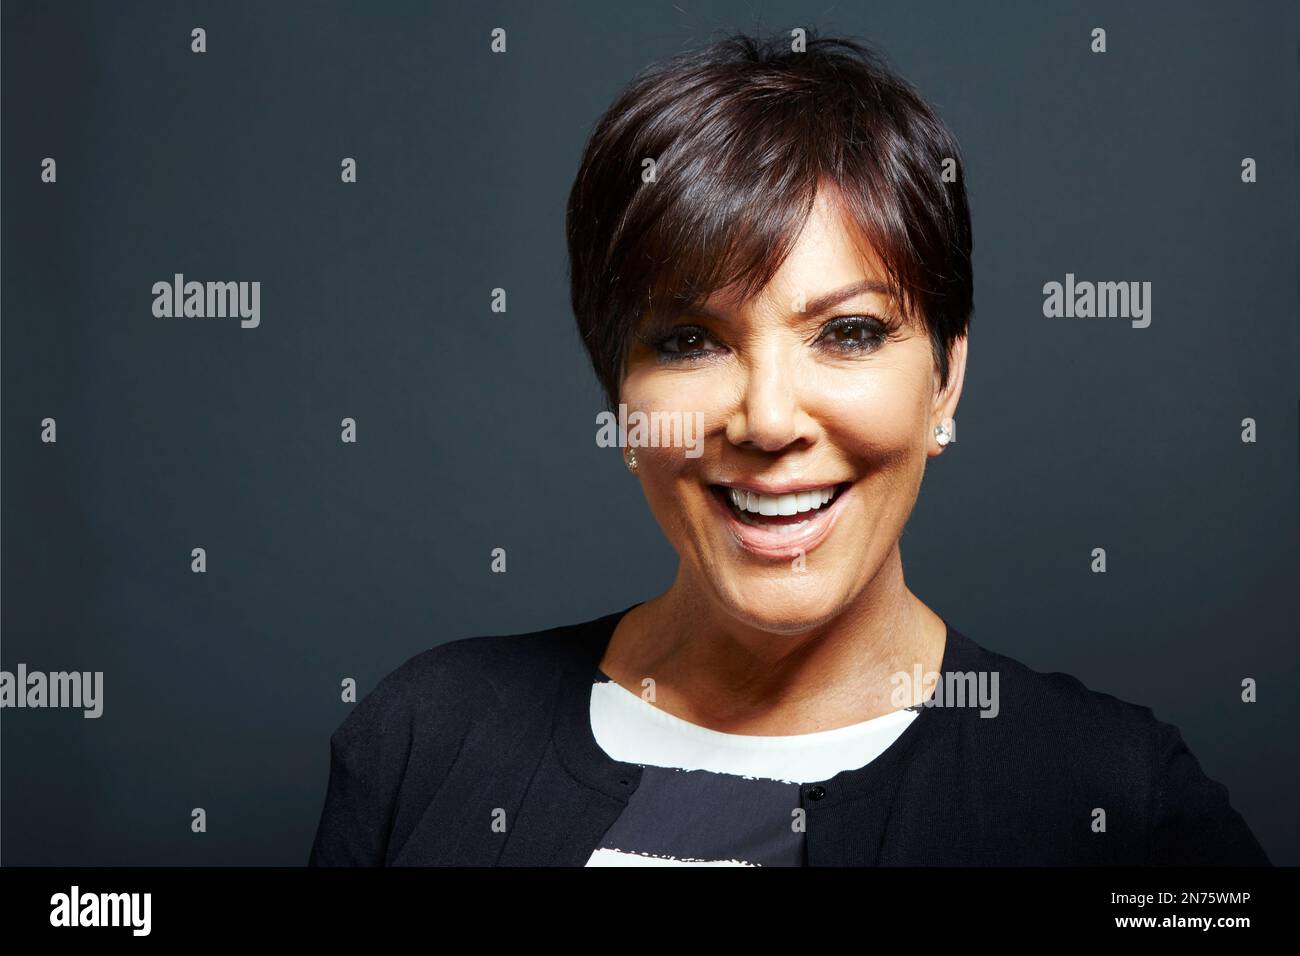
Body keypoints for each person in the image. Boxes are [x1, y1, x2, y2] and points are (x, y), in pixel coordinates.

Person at [308, 30, 1270, 866]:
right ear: (620, 398)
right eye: (688, 341)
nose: (768, 421)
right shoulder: (426, 736)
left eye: (848, 332)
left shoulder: (1113, 799)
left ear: (946, 379)